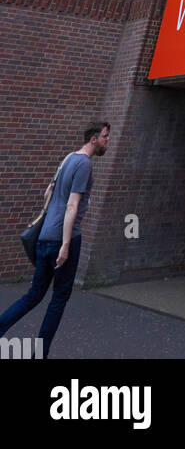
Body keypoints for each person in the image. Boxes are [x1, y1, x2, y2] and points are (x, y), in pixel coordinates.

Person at [0, 122, 110, 356]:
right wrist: (66, 245)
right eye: (105, 137)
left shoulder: (68, 158)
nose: (107, 141)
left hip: (44, 236)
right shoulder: (84, 164)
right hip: (63, 239)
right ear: (93, 139)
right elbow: (72, 205)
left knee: (34, 295)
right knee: (59, 298)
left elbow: (47, 193)